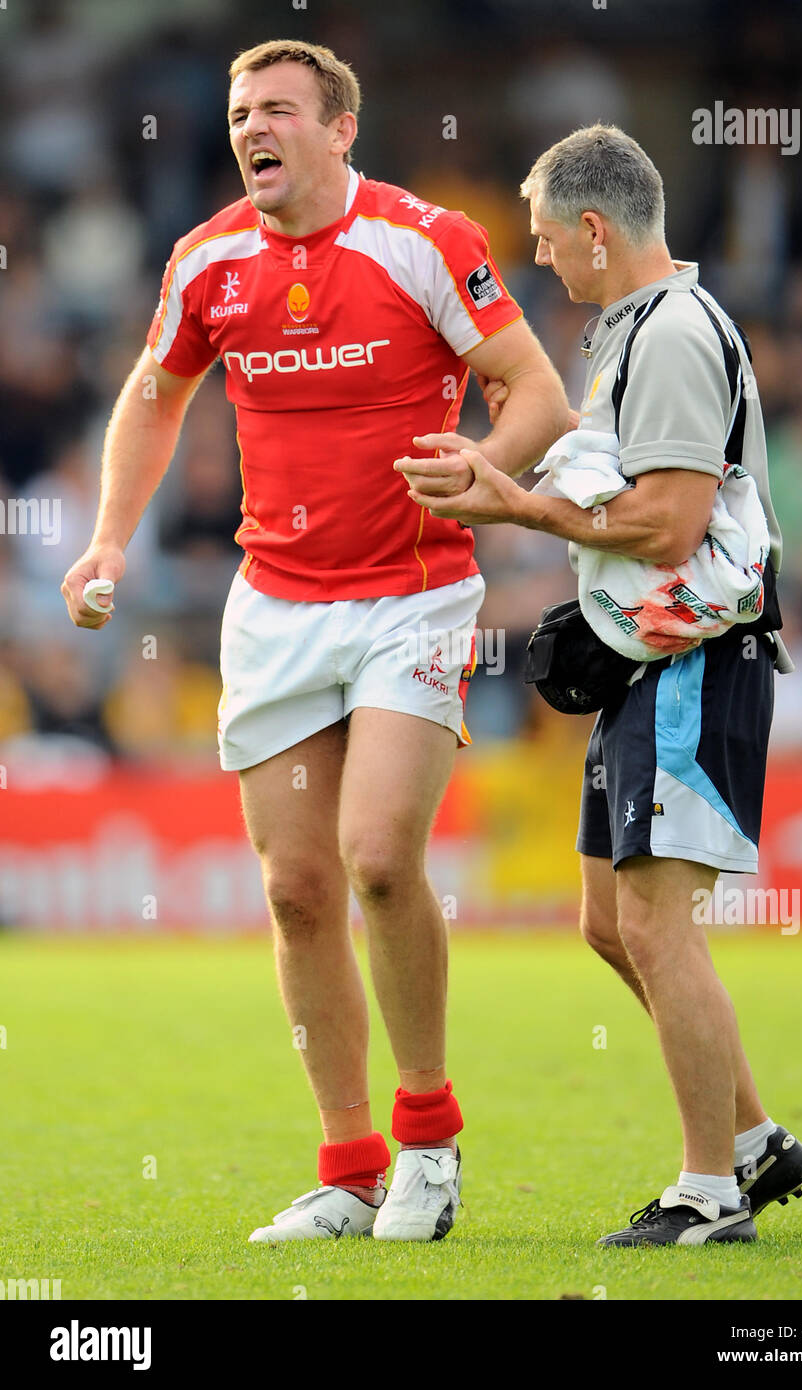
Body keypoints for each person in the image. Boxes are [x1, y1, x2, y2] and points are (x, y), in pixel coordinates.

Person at [61, 38, 569, 1243]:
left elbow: (535, 391)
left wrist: (486, 472)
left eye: (278, 109)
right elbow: (152, 394)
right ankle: (347, 1169)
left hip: (413, 593)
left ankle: (429, 1146)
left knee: (380, 856)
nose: (251, 128)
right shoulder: (207, 258)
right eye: (241, 112)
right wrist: (108, 543)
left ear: (340, 128)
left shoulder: (425, 241)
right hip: (275, 604)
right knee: (296, 892)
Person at [399, 123, 802, 1247]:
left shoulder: (673, 330)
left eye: (544, 241)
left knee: (653, 919)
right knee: (607, 917)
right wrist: (497, 468)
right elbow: (611, 473)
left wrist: (513, 507)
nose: (541, 261)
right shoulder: (632, 329)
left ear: (594, 227)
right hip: (650, 662)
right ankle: (751, 1139)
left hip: (690, 659)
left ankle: (706, 1192)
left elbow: (670, 524)